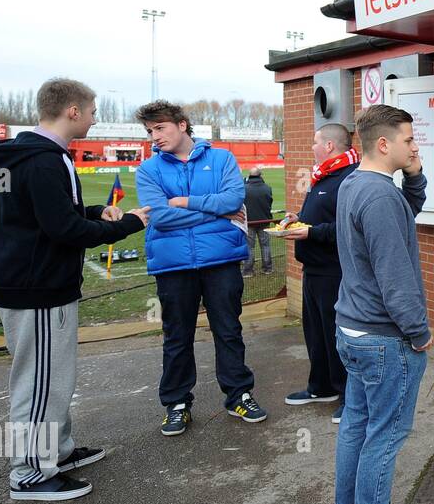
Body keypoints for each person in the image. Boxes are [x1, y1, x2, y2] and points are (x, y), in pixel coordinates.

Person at [0, 78, 149, 501]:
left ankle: (55, 452)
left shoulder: (32, 155)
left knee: (53, 379)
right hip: (37, 287)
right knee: (40, 384)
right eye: (92, 112)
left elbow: (48, 213)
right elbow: (63, 229)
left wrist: (98, 210)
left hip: (33, 282)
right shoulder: (43, 160)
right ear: (72, 111)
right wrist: (128, 223)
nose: (95, 120)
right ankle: (30, 474)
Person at [331, 104, 431, 504]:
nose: (415, 147)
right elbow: (396, 277)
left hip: (352, 330)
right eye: (409, 141)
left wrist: (414, 175)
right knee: (386, 434)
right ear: (385, 144)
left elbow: (401, 216)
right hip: (384, 338)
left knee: (356, 422)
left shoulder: (358, 184)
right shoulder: (379, 197)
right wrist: (419, 331)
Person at [135, 100, 266, 436]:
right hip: (173, 265)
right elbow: (160, 218)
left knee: (228, 330)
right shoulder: (149, 170)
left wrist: (186, 202)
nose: (155, 137)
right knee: (177, 337)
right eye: (150, 131)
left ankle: (239, 394)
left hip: (220, 260)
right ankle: (177, 403)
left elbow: (233, 202)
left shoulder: (221, 159)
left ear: (181, 124)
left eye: (160, 128)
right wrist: (213, 213)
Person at [281, 123, 359, 423]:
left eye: (315, 142)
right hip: (312, 269)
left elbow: (348, 228)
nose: (312, 147)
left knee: (336, 334)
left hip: (334, 271)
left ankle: (348, 396)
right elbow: (321, 216)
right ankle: (321, 387)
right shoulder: (323, 175)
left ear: (329, 146)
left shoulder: (348, 178)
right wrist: (298, 219)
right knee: (315, 333)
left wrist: (310, 232)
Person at [241, 166, 274, 276]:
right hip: (264, 221)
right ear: (260, 176)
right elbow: (269, 203)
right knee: (265, 245)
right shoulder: (267, 187)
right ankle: (267, 269)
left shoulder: (244, 188)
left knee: (250, 246)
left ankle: (248, 271)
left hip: (250, 222)